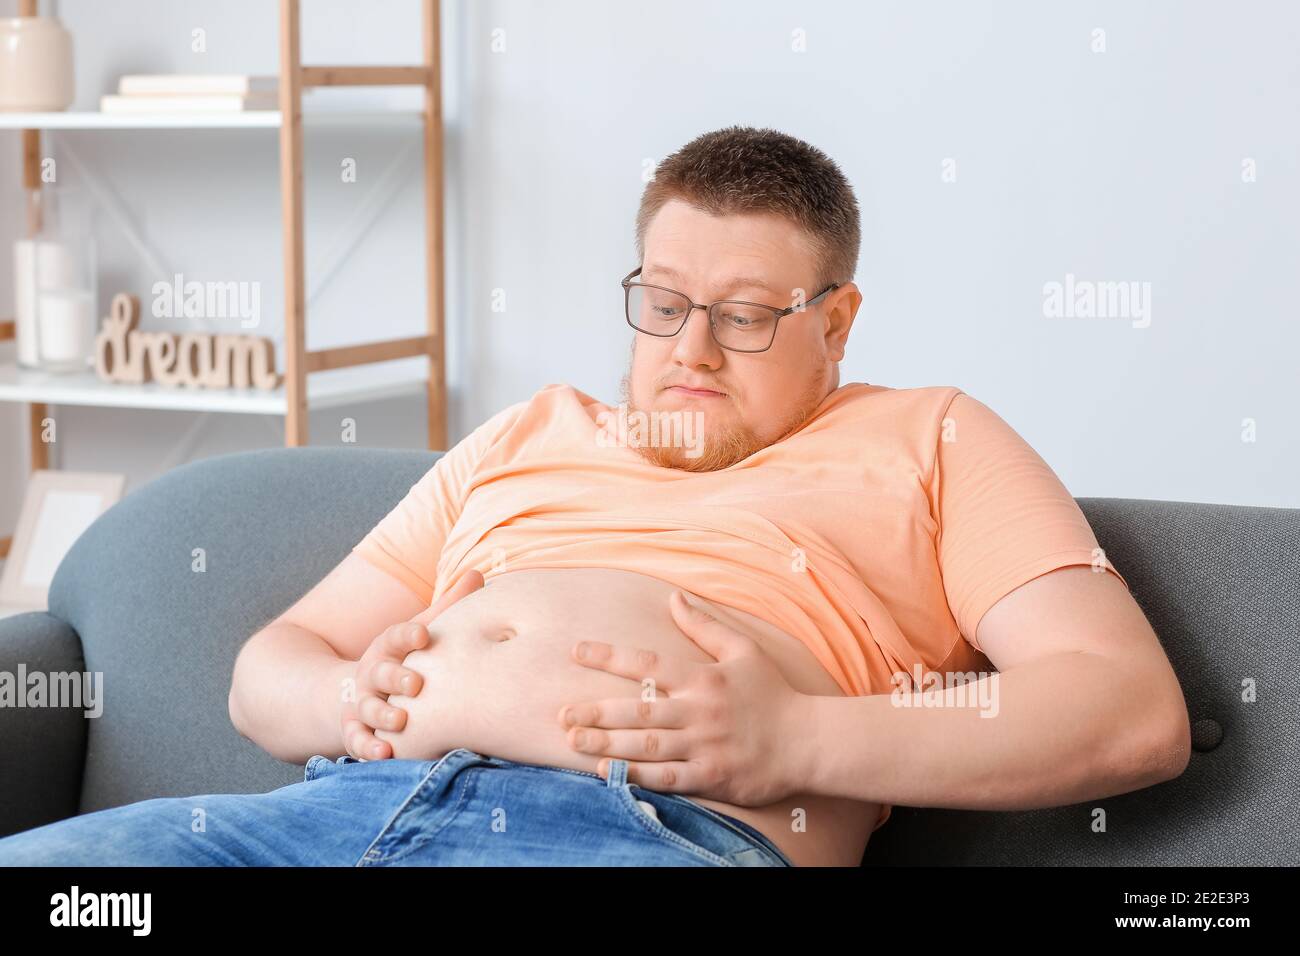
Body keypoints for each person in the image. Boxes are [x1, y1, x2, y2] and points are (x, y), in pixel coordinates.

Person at [0, 126, 1190, 868]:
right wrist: (338, 695)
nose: (692, 350)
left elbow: (1126, 709)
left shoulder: (932, 435)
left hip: (641, 838)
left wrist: (793, 738)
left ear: (835, 322)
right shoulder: (532, 431)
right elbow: (276, 659)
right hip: (317, 819)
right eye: (664, 302)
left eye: (743, 315)